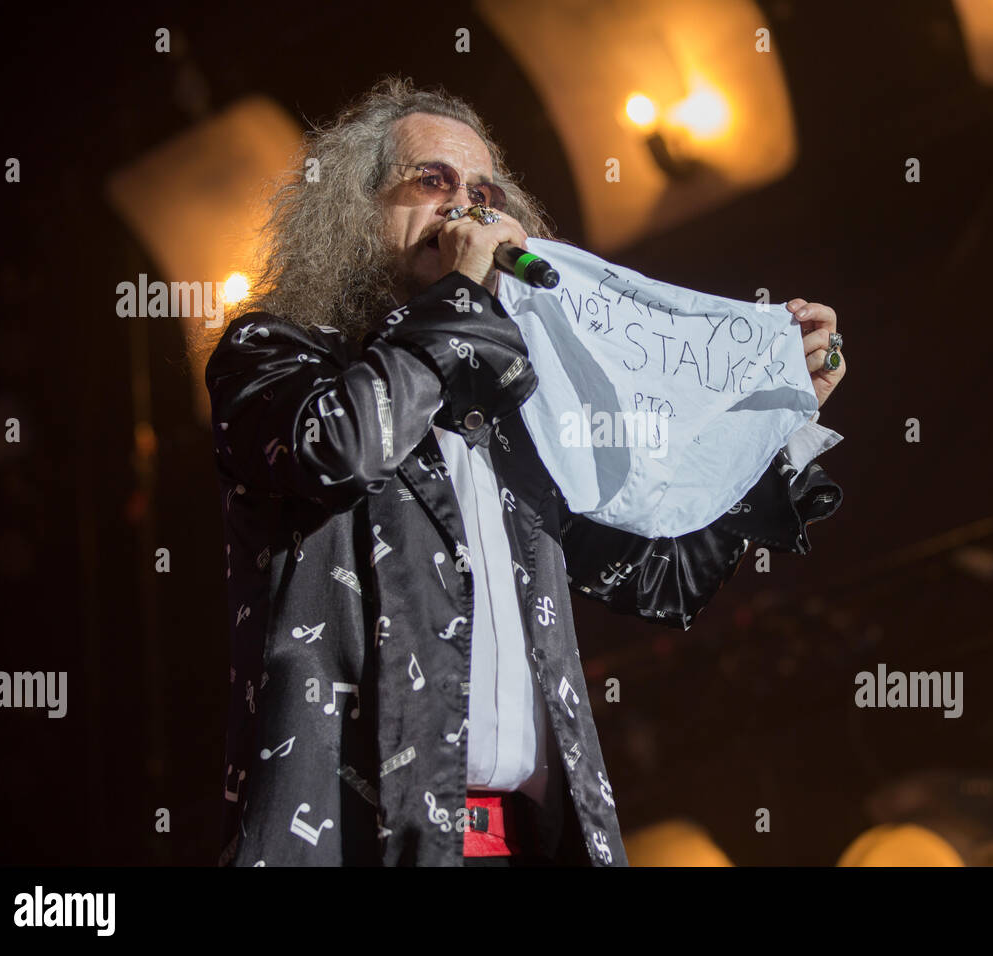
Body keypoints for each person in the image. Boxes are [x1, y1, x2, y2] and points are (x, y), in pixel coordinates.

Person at [206, 75, 847, 867]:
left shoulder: (520, 424)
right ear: (358, 213)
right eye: (432, 182)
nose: (464, 208)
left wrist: (771, 424)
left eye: (484, 192)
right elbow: (341, 446)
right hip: (359, 840)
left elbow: (658, 579)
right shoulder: (276, 357)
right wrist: (460, 296)